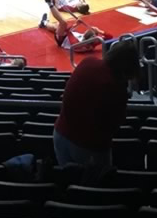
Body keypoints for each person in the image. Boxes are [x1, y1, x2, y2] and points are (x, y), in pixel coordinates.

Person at [53, 36, 139, 178]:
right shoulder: (116, 87)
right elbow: (115, 124)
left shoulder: (87, 62)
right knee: (95, 189)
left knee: (68, 182)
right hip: (87, 146)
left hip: (60, 134)